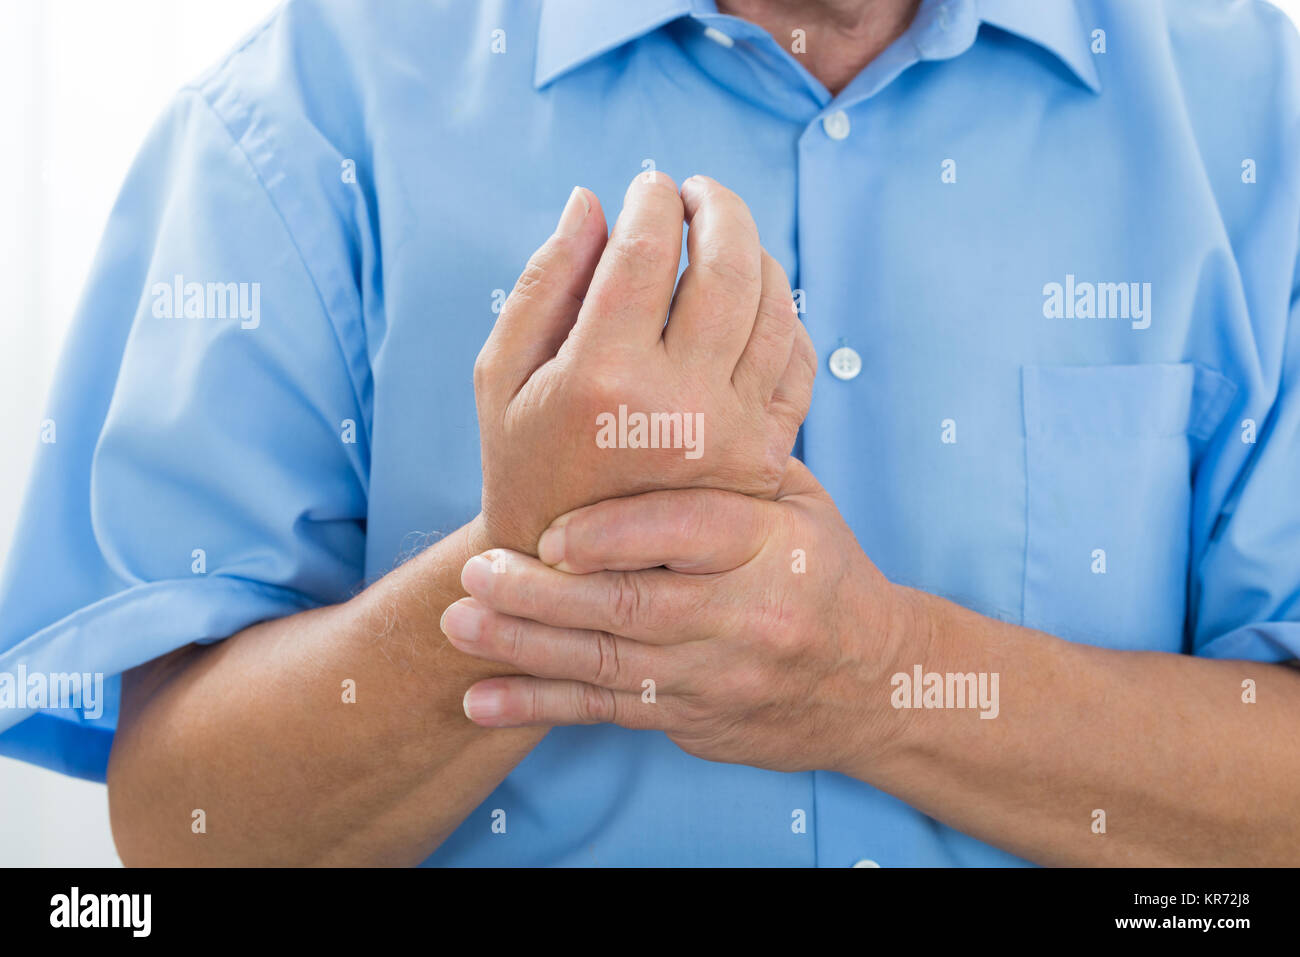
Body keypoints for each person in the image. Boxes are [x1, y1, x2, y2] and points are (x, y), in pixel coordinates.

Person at [2, 0, 1298, 867]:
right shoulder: (308, 105)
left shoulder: (1257, 119)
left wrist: (885, 674)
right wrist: (530, 577)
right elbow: (183, 816)